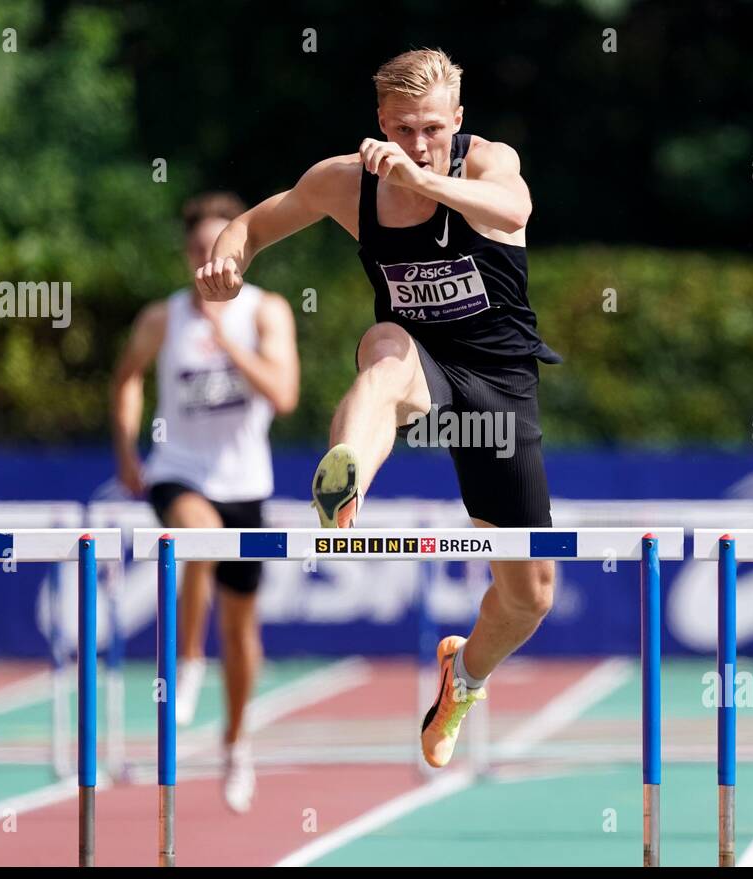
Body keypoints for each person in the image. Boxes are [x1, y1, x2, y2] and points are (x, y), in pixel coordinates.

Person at [194, 49, 560, 769]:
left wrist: (425, 180)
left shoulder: (487, 163)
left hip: (499, 381)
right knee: (385, 354)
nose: (416, 143)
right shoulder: (345, 181)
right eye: (401, 129)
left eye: (431, 128)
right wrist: (227, 262)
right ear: (380, 122)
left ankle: (464, 677)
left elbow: (515, 208)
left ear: (457, 120)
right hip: (416, 357)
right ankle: (344, 483)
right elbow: (253, 225)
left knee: (530, 597)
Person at [111, 192, 299, 812]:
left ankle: (237, 743)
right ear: (187, 255)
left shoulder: (266, 312)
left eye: (219, 249)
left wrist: (228, 342)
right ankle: (187, 658)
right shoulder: (163, 318)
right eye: (196, 250)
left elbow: (285, 395)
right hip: (179, 472)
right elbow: (127, 377)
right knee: (198, 537)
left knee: (243, 633)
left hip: (247, 482)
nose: (207, 260)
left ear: (238, 253)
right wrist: (128, 452)